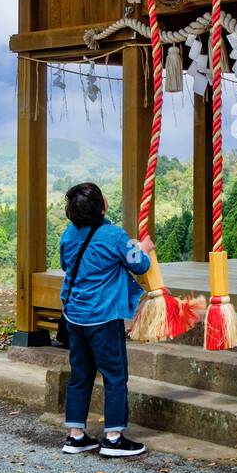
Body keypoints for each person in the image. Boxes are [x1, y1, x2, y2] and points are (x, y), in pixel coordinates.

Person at [58, 182, 151, 457]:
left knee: (80, 375)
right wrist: (141, 247)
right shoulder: (114, 235)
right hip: (103, 316)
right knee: (114, 375)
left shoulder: (68, 235)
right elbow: (140, 264)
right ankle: (113, 438)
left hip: (75, 315)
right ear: (101, 207)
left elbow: (66, 265)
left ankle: (75, 436)